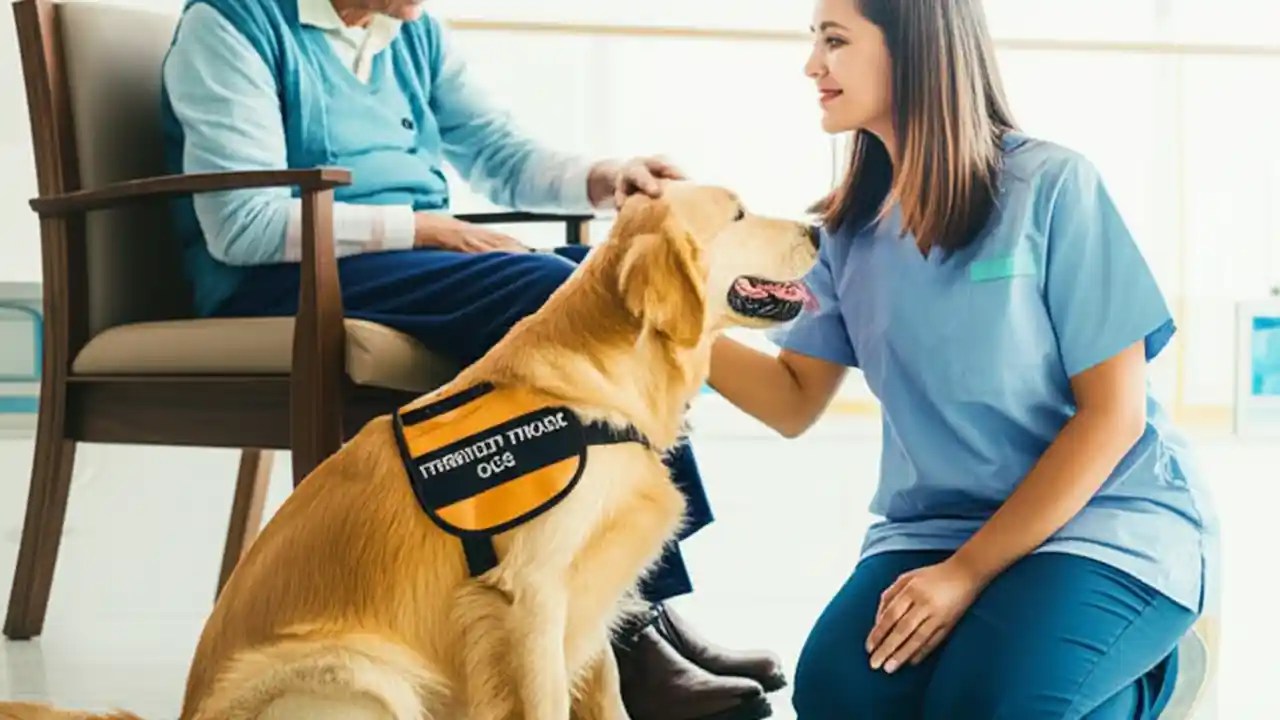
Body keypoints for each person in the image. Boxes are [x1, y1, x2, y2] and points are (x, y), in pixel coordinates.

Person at [159, 0, 783, 718]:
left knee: (603, 285)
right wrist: (422, 228)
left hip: (392, 267)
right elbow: (245, 226)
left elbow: (497, 151)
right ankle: (636, 638)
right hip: (281, 282)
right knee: (553, 289)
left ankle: (633, 610)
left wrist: (608, 176)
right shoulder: (234, 24)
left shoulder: (411, 32)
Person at [708, 0, 1219, 718]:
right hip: (938, 526)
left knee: (985, 704)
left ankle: (1151, 676)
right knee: (836, 696)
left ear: (913, 48)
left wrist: (966, 576)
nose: (812, 65)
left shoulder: (1051, 187)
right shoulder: (847, 232)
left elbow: (1114, 416)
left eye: (834, 40)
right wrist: (671, 326)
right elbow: (792, 399)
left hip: (1103, 519)